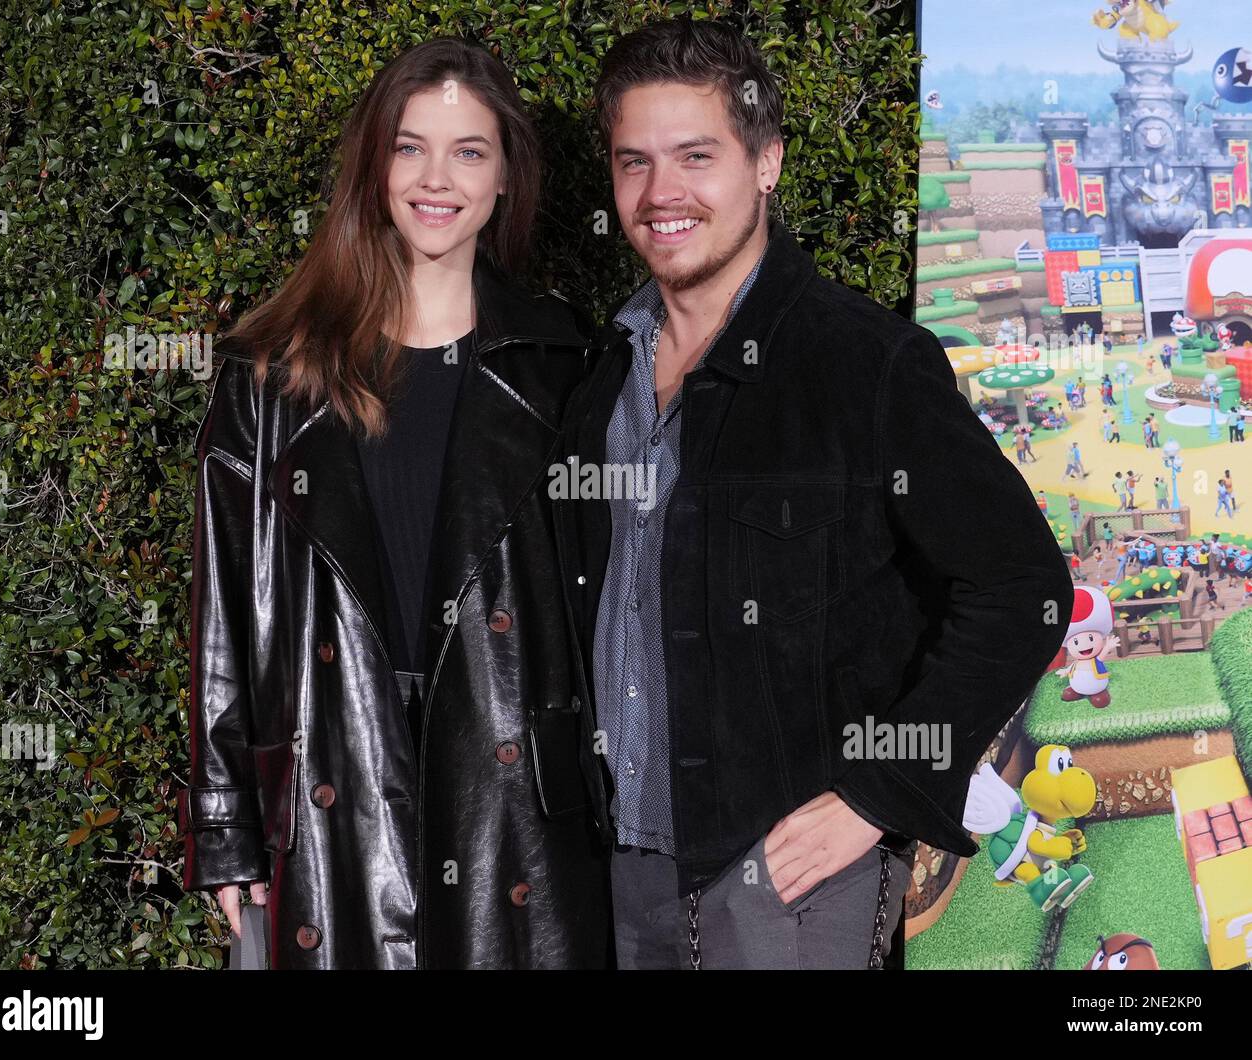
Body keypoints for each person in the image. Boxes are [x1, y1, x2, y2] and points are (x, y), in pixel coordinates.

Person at [553, 18, 1072, 970]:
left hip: (787, 883)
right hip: (618, 878)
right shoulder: (599, 379)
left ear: (766, 163)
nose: (662, 194)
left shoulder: (865, 365)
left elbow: (1022, 590)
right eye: (635, 163)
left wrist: (881, 792)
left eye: (696, 156)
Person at [177, 38, 610, 969]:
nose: (435, 179)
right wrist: (224, 825)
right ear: (374, 166)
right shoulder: (271, 376)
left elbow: (602, 612)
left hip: (514, 816)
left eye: (469, 150)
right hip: (333, 795)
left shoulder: (564, 362)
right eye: (410, 147)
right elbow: (224, 615)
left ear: (505, 175)